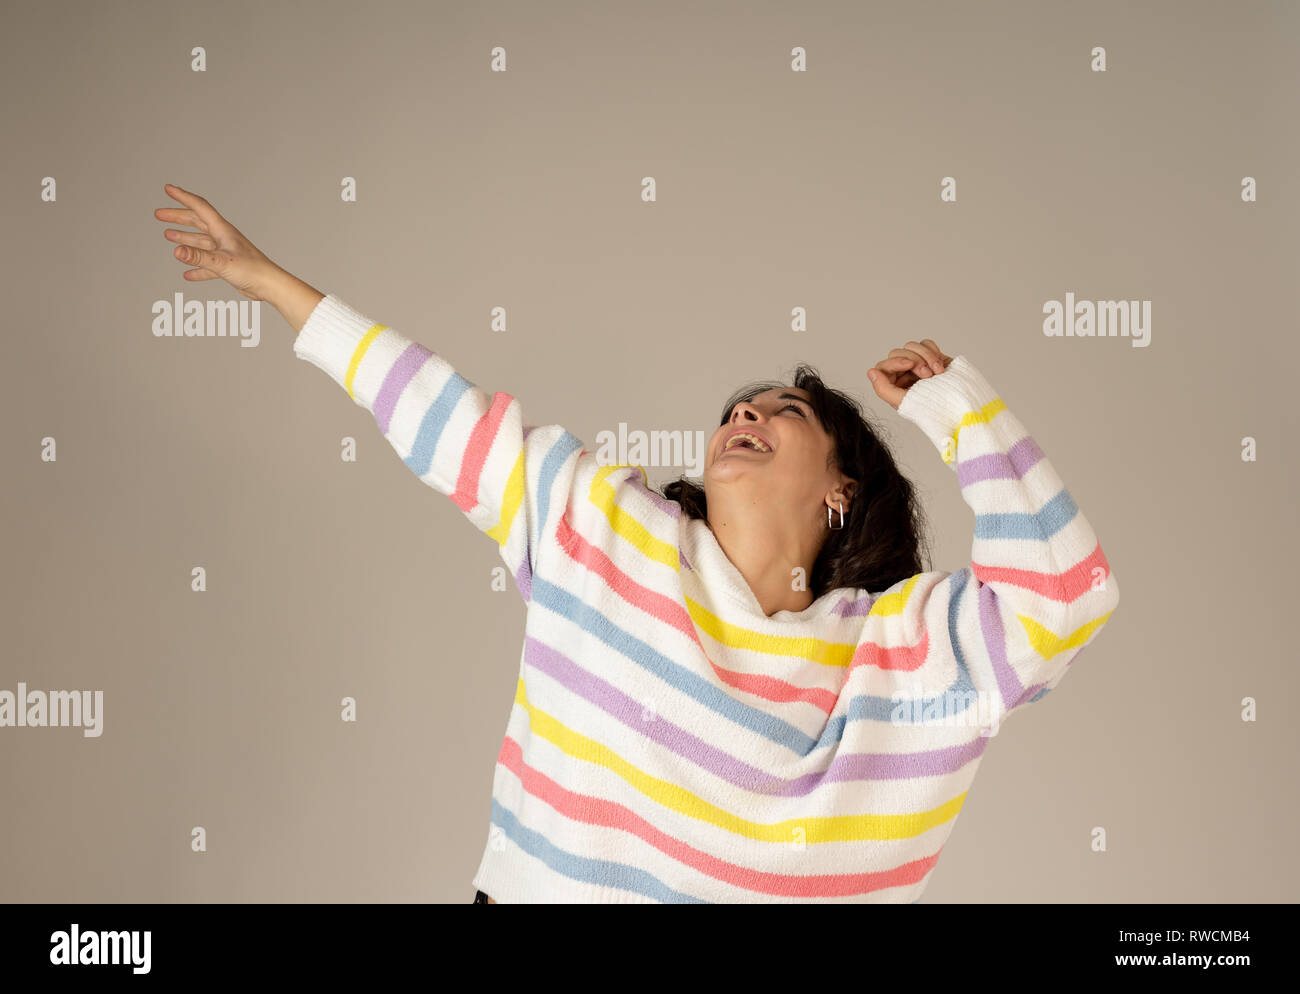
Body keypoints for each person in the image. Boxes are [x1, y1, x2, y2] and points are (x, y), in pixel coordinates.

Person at [154, 184, 1120, 903]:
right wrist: (273, 284)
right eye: (741, 404)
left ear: (842, 488)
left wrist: (959, 407)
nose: (746, 409)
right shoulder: (602, 528)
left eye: (786, 412)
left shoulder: (903, 655)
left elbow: (1065, 597)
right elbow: (439, 414)